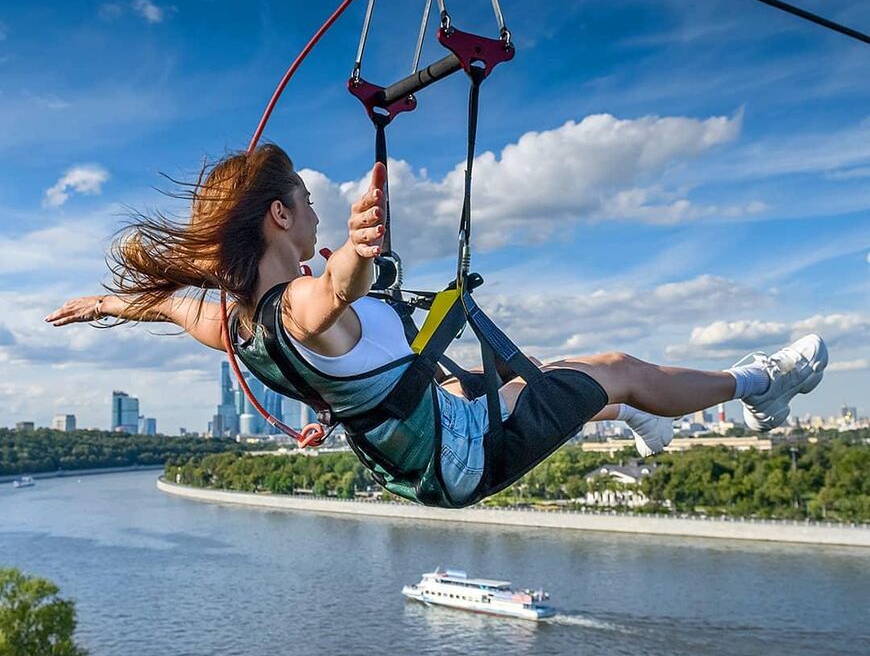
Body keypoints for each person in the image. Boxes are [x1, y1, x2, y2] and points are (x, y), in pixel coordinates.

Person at [46, 144, 828, 506]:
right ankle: (763, 384)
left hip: (421, 439)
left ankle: (635, 422)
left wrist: (107, 306)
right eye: (308, 199)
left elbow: (167, 304)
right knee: (617, 364)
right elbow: (330, 299)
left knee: (546, 377)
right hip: (460, 450)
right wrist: (353, 253)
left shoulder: (234, 323)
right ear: (282, 216)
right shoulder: (299, 309)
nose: (316, 208)